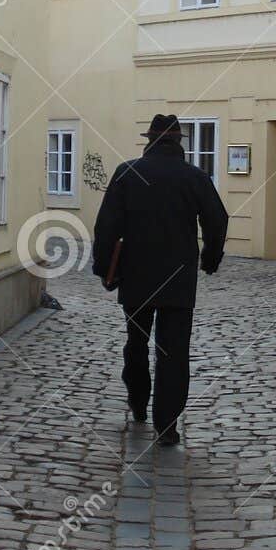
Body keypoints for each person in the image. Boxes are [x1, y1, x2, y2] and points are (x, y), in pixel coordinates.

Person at [92, 114, 228, 446]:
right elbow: (217, 220)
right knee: (173, 352)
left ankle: (138, 402)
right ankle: (166, 425)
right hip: (179, 280)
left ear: (149, 140)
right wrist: (210, 260)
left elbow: (106, 225)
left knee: (136, 343)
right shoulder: (194, 177)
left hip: (136, 276)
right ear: (178, 141)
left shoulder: (127, 172)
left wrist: (103, 268)